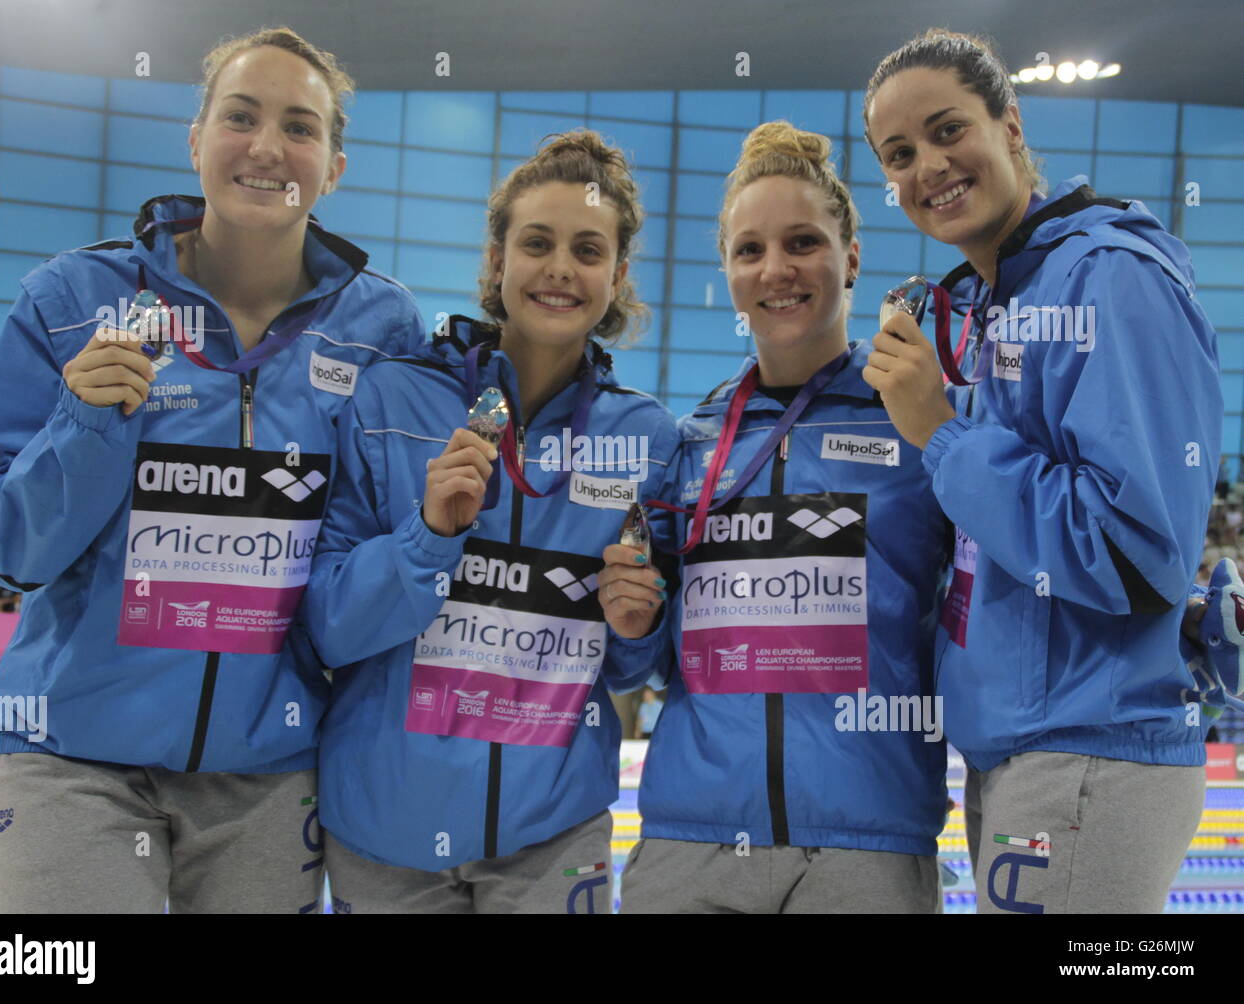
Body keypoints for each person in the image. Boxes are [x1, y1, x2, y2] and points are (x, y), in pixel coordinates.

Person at [0, 27, 424, 913]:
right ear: (196, 138)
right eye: (241, 117)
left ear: (337, 166)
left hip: (270, 773)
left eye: (301, 127)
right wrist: (85, 423)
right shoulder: (70, 302)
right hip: (73, 758)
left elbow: (378, 555)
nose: (269, 147)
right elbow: (8, 552)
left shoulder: (383, 330)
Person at [861, 28, 1223, 913]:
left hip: (1091, 753)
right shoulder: (1004, 301)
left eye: (949, 131)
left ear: (1010, 124)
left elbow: (1138, 554)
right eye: (899, 154)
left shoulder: (1108, 278)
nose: (929, 168)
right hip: (1026, 748)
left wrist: (941, 434)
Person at [302, 130, 678, 914]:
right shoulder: (391, 401)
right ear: (497, 260)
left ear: (617, 274)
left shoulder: (644, 437)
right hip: (386, 829)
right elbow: (329, 626)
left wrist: (638, 626)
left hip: (552, 831)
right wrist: (428, 536)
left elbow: (625, 669)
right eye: (536, 243)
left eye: (587, 249)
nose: (560, 269)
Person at [605, 122, 951, 914]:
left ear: (851, 257)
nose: (777, 270)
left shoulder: (918, 424)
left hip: (868, 844)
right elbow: (645, 664)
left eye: (802, 242)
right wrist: (631, 627)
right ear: (726, 269)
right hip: (691, 841)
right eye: (749, 250)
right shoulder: (690, 444)